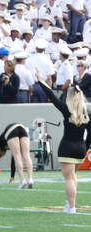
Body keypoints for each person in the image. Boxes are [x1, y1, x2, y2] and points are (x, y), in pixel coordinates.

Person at [37, 80, 91, 213]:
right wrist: (86, 147)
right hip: (80, 148)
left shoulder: (67, 110)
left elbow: (52, 96)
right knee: (73, 176)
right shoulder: (87, 113)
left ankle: (71, 207)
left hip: (67, 147)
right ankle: (70, 203)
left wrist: (40, 80)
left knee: (68, 178)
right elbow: (90, 134)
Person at [0, 121, 32, 188]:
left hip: (11, 130)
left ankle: (22, 181)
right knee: (26, 155)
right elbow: (12, 161)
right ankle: (30, 179)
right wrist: (12, 178)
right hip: (22, 128)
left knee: (17, 156)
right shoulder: (5, 145)